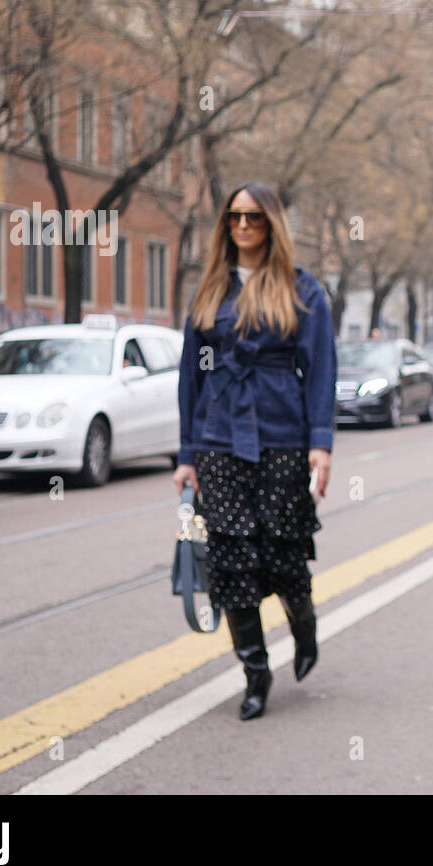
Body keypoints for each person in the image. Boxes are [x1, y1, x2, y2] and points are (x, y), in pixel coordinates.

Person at [174, 180, 338, 721]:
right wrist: (187, 453)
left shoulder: (300, 287)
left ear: (271, 225)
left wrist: (321, 445)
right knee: (232, 561)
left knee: (285, 552)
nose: (242, 225)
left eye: (254, 218)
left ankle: (304, 626)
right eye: (235, 217)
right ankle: (255, 673)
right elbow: (190, 379)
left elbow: (320, 371)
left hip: (282, 436)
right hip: (218, 439)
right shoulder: (210, 290)